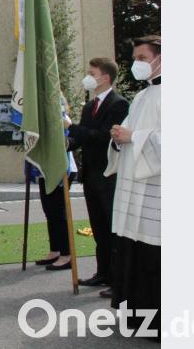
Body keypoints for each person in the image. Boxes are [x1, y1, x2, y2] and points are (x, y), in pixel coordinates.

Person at [105, 35, 161, 336]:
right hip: (135, 191)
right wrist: (118, 137)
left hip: (157, 193)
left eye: (142, 58)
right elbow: (128, 132)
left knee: (155, 257)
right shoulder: (141, 96)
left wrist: (134, 138)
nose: (136, 63)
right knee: (136, 253)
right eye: (135, 58)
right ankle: (138, 317)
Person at [67, 57, 129, 293]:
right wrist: (66, 142)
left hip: (108, 175)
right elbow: (82, 138)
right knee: (99, 228)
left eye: (91, 73)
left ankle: (117, 279)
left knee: (112, 229)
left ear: (105, 78)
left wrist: (71, 127)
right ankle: (103, 273)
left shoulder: (118, 104)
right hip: (91, 176)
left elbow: (103, 137)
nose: (88, 77)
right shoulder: (89, 106)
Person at [32, 94, 79, 271]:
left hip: (61, 168)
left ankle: (67, 254)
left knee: (59, 213)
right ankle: (55, 250)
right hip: (46, 168)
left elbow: (68, 139)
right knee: (49, 211)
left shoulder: (61, 116)